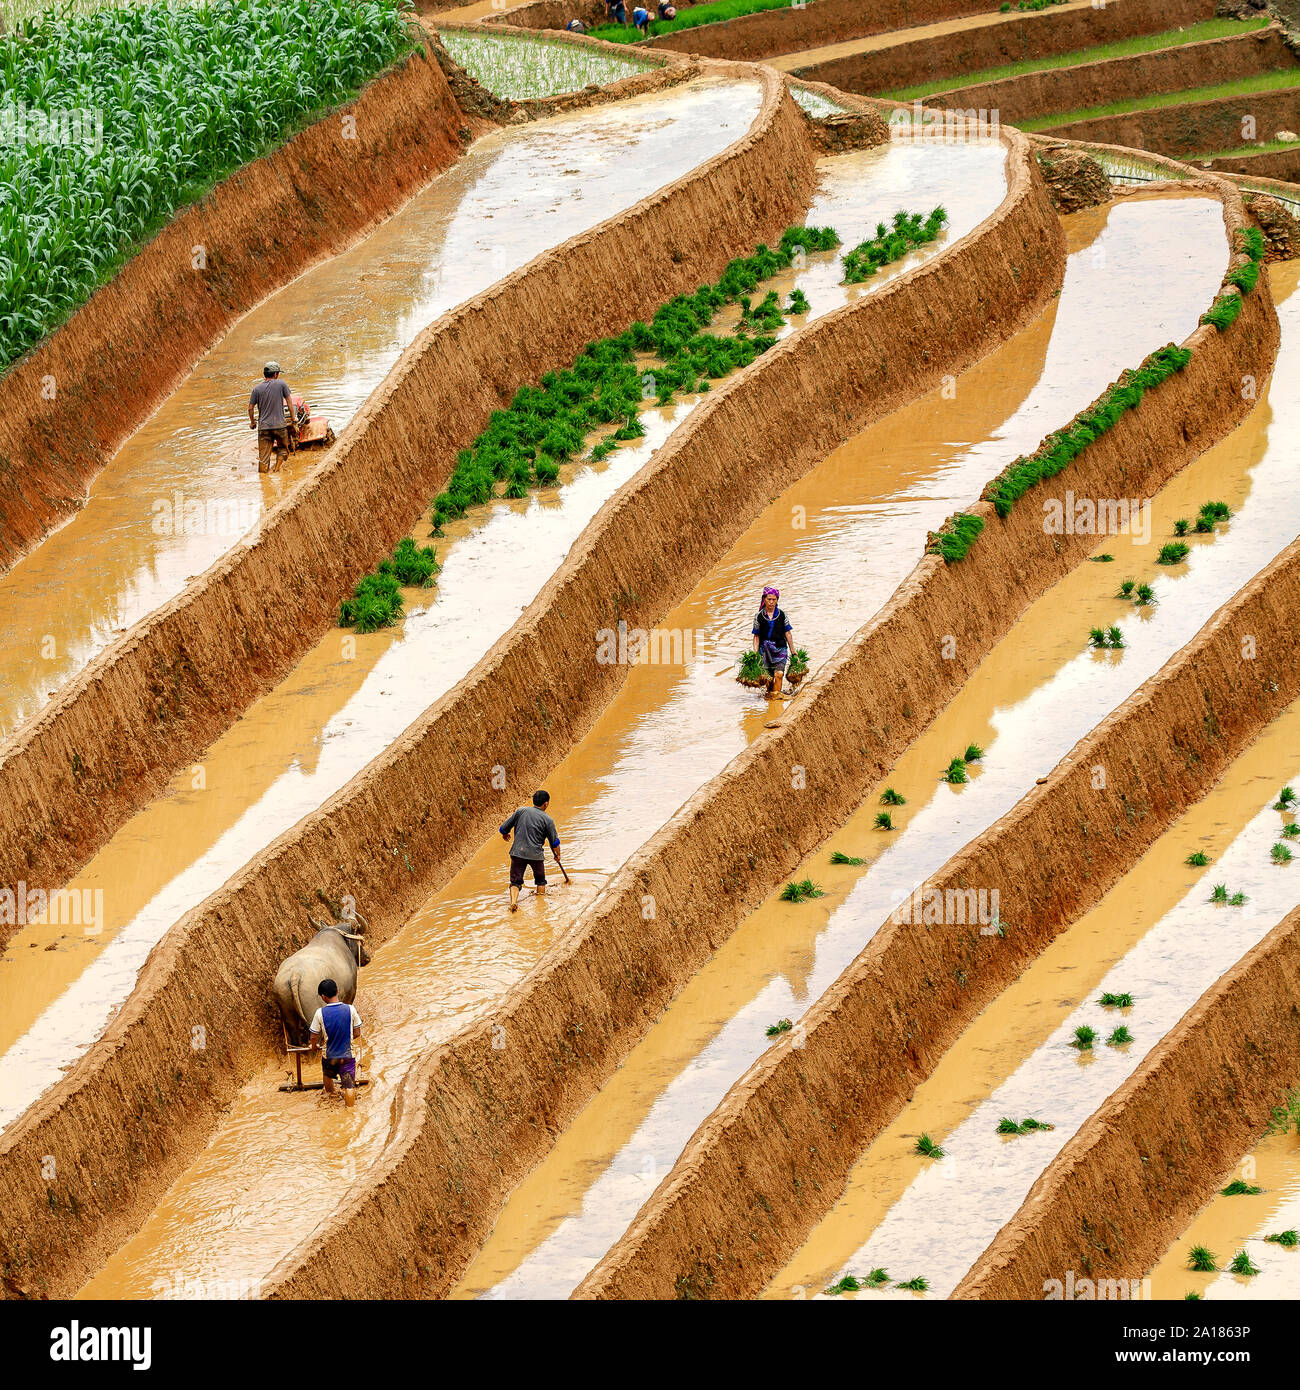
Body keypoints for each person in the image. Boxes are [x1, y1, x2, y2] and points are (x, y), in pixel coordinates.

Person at [499, 788, 562, 913]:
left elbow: (503, 828)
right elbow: (554, 842)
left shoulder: (521, 811)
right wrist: (558, 855)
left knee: (515, 882)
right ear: (546, 804)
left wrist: (505, 834)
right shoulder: (548, 820)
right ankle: (540, 907)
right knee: (540, 881)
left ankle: (513, 903)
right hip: (536, 855)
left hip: (517, 852)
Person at [308, 978, 364, 1108]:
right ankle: (350, 1112)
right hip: (347, 1056)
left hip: (330, 1056)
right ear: (337, 991)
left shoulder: (319, 1013)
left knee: (328, 1078)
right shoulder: (351, 1009)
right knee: (349, 1086)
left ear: (323, 997)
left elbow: (313, 1035)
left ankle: (331, 1100)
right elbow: (357, 1033)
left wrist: (313, 1046)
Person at [248, 361, 293, 474]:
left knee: (263, 458)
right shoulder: (281, 384)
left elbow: (250, 408)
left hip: (263, 427)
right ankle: (277, 469)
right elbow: (289, 402)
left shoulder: (256, 389)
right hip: (280, 426)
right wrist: (293, 418)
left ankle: (264, 479)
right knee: (283, 448)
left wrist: (253, 422)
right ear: (275, 374)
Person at [752, 584, 794, 698]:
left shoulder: (782, 615)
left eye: (774, 599)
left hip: (780, 648)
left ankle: (776, 698)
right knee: (769, 679)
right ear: (764, 600)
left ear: (777, 600)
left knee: (779, 674)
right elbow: (756, 636)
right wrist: (755, 653)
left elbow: (788, 633)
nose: (771, 602)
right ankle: (771, 697)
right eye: (769, 599)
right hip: (764, 651)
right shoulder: (758, 616)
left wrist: (793, 651)